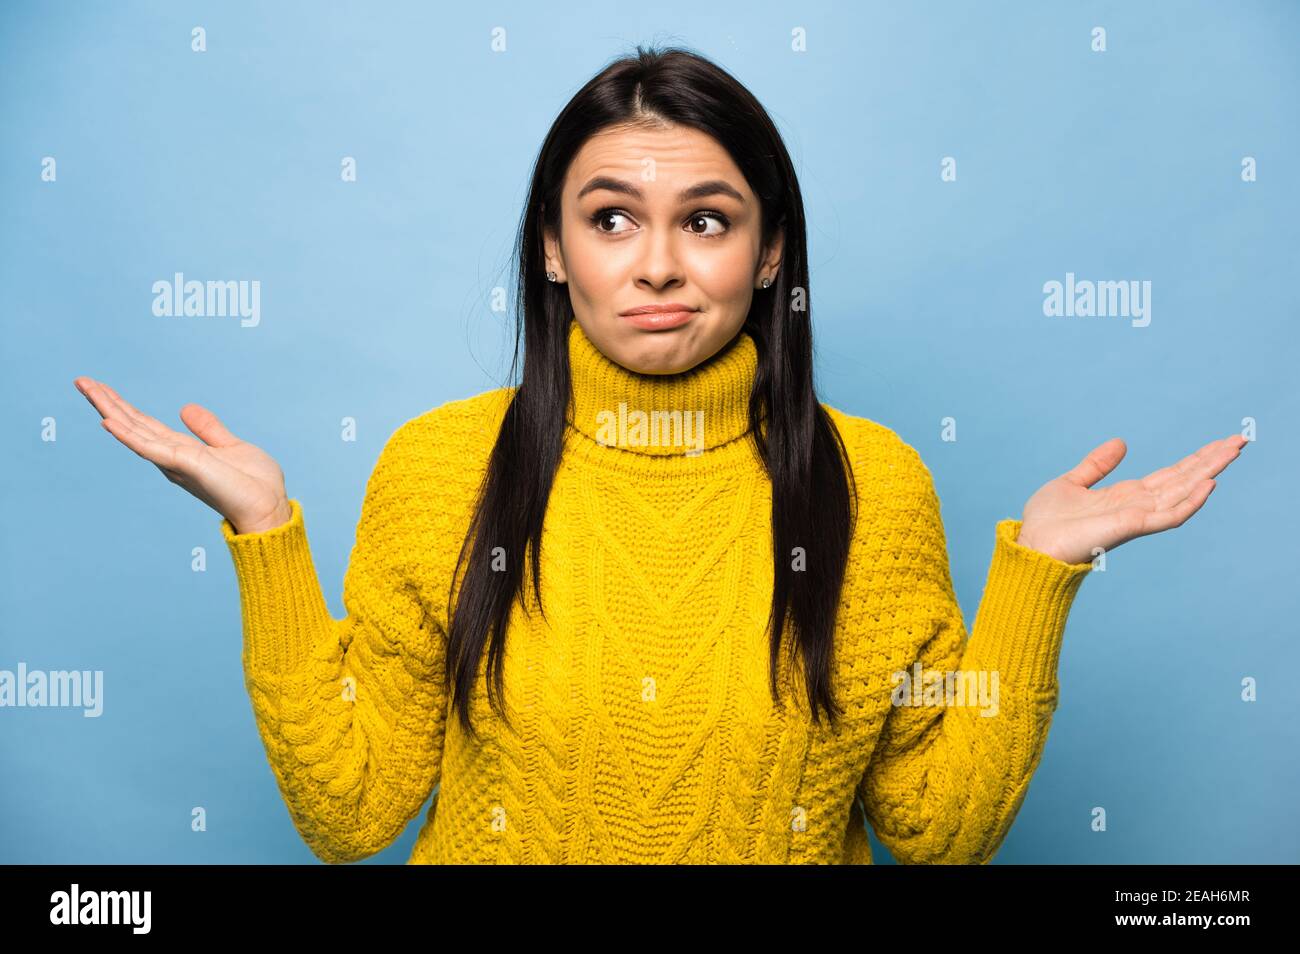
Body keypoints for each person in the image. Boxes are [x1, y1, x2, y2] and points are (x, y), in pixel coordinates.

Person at [73, 45, 1245, 865]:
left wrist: (1035, 576)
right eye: (612, 217)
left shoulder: (874, 484)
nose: (657, 266)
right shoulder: (439, 468)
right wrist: (267, 541)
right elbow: (350, 815)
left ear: (770, 253)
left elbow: (938, 833)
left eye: (707, 218)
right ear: (552, 249)